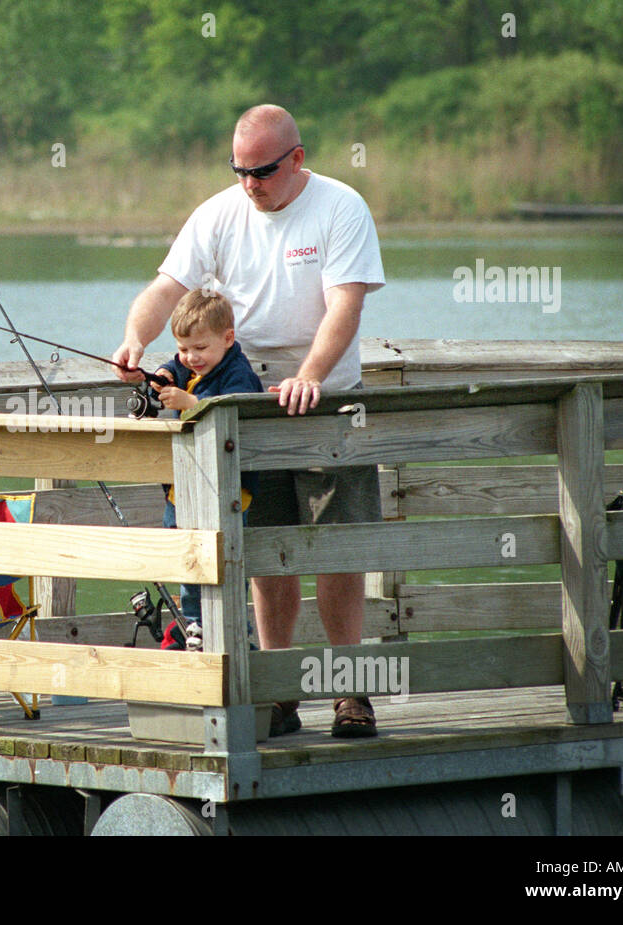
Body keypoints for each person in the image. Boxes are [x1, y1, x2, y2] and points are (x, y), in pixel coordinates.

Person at [112, 104, 387, 738]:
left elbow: (343, 307)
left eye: (262, 170)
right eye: (239, 169)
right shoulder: (218, 213)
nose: (250, 183)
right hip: (243, 409)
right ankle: (278, 690)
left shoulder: (340, 206)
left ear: (295, 158)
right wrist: (133, 339)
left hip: (326, 403)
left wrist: (310, 375)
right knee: (264, 552)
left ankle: (350, 693)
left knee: (337, 552)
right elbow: (164, 288)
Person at [153, 288, 262, 643]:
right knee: (187, 552)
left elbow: (233, 409)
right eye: (184, 349)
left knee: (225, 558)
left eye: (200, 349)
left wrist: (191, 402)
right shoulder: (188, 366)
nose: (191, 358)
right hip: (182, 487)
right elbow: (173, 365)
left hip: (226, 489)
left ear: (228, 338)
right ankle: (195, 621)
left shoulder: (237, 373)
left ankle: (232, 628)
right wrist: (164, 372)